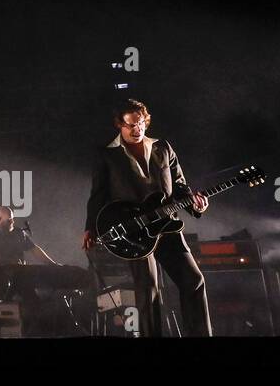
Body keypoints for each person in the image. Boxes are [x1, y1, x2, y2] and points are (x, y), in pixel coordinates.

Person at [83, 99, 212, 337]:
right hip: (136, 231)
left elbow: (181, 187)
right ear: (119, 125)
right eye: (131, 125)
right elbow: (98, 194)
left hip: (168, 226)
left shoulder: (163, 148)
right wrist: (90, 228)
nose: (137, 129)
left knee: (194, 281)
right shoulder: (107, 155)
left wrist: (197, 206)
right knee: (148, 290)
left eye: (141, 123)